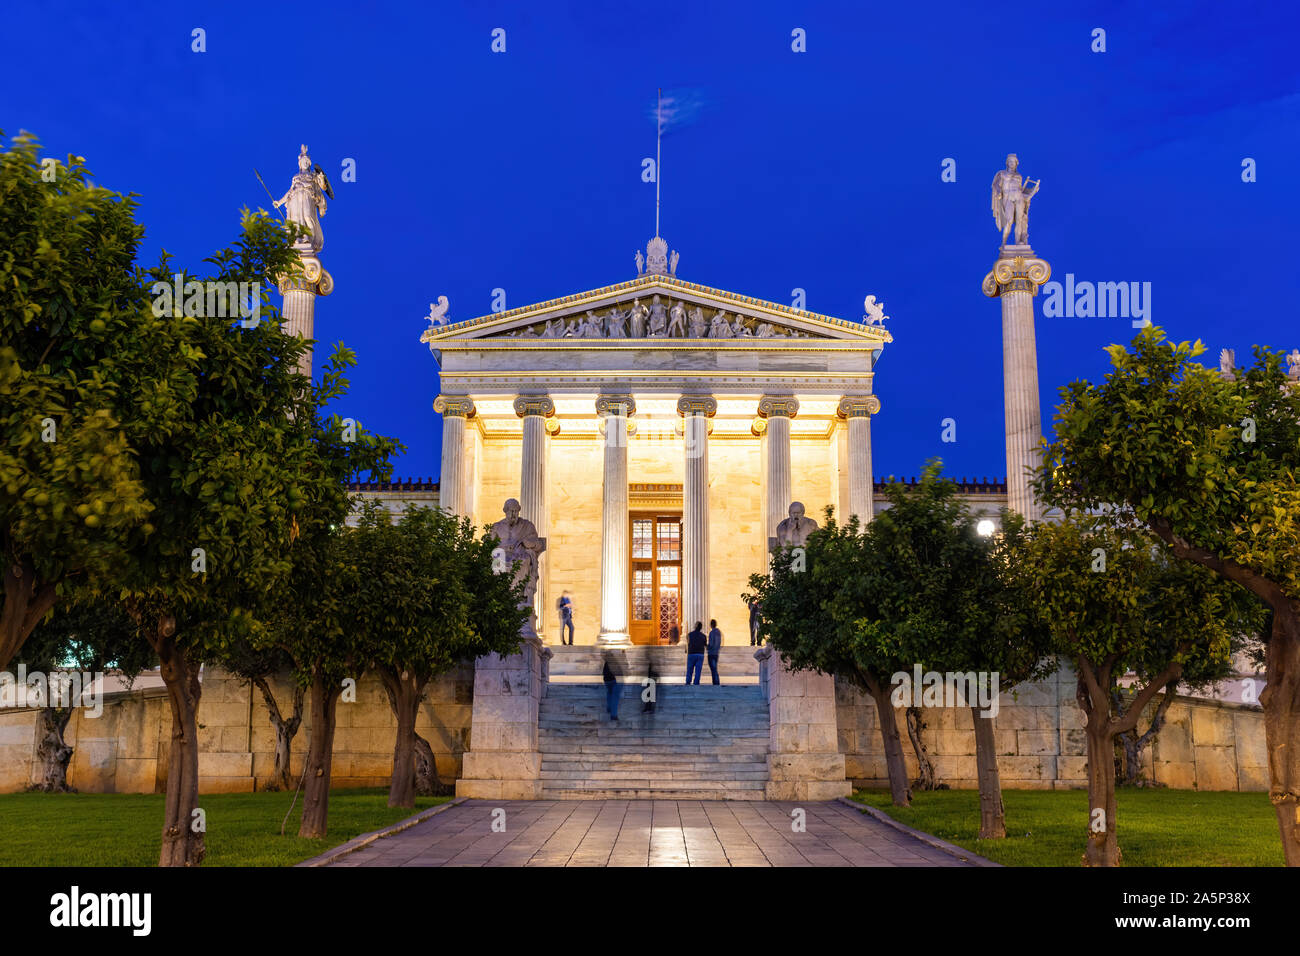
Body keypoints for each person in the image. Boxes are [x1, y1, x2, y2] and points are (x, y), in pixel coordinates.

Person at [685, 621, 707, 686]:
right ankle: (696, 682)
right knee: (698, 670)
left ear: (695, 626)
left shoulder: (689, 635)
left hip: (691, 653)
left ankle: (688, 682)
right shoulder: (704, 636)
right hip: (700, 654)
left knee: (689, 669)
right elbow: (705, 645)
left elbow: (687, 642)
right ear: (701, 628)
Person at [602, 652, 621, 721]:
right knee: (615, 698)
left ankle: (609, 708)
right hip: (613, 681)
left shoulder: (606, 663)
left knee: (609, 693)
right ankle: (614, 715)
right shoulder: (613, 663)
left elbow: (603, 673)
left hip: (607, 681)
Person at [707, 619, 722, 685]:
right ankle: (716, 681)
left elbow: (711, 643)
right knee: (714, 667)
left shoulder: (712, 633)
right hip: (716, 652)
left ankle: (716, 682)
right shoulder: (719, 632)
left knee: (713, 668)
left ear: (711, 625)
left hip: (711, 653)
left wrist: (707, 647)